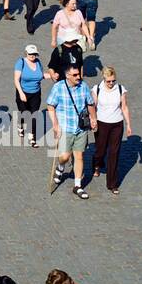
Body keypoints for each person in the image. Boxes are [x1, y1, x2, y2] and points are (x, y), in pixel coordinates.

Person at [47, 65, 96, 199]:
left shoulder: (84, 86)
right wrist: (55, 125)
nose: (78, 77)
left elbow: (90, 104)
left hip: (80, 128)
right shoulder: (58, 88)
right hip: (65, 128)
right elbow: (50, 106)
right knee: (65, 157)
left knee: (79, 156)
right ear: (67, 76)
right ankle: (60, 167)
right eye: (74, 75)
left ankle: (77, 186)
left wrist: (93, 118)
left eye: (78, 74)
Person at [91, 66, 131, 195]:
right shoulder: (97, 89)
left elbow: (124, 107)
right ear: (104, 78)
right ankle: (96, 164)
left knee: (114, 153)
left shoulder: (120, 89)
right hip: (101, 123)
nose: (111, 83)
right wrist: (93, 120)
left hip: (116, 124)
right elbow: (93, 107)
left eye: (113, 80)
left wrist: (128, 124)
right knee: (100, 150)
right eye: (108, 81)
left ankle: (112, 184)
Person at [13, 44, 47, 147]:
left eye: (34, 54)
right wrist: (21, 93)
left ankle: (32, 137)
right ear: (26, 53)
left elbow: (41, 75)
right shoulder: (21, 62)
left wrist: (52, 76)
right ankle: (20, 125)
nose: (32, 56)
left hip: (36, 93)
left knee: (34, 115)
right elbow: (16, 79)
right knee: (24, 113)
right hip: (23, 92)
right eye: (30, 54)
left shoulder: (38, 62)